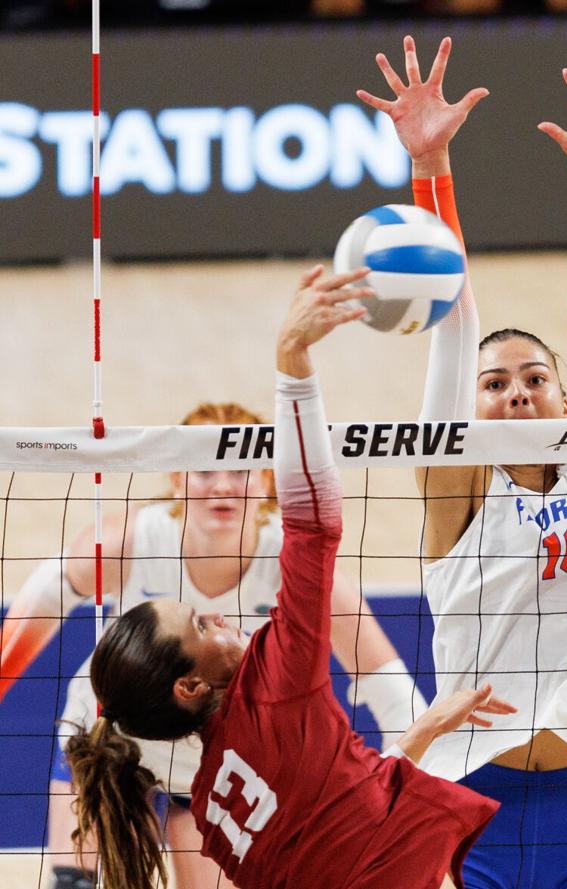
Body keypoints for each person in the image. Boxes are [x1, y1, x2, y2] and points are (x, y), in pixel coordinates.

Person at [61, 265, 515, 889]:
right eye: (200, 623)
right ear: (191, 686)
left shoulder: (215, 802)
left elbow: (342, 801)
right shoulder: (279, 683)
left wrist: (423, 729)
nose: (217, 614)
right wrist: (292, 362)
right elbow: (313, 526)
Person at [356, 35, 567, 889]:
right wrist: (432, 166)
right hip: (473, 799)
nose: (516, 393)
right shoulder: (455, 493)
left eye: (535, 378)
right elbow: (453, 324)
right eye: (494, 383)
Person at [0, 408, 428, 889]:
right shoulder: (132, 538)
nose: (222, 484)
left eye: (240, 468)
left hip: (216, 762)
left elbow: (387, 684)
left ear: (267, 482)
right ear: (178, 479)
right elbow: (44, 598)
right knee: (72, 881)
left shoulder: (294, 562)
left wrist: (417, 781)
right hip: (117, 740)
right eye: (205, 469)